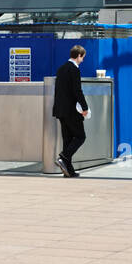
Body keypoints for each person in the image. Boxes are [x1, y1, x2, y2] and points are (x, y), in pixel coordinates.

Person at [52, 45, 89, 178]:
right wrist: (85, 108)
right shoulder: (74, 70)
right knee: (80, 136)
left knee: (67, 139)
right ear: (79, 56)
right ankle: (64, 156)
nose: (82, 60)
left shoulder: (61, 69)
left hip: (60, 110)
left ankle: (69, 171)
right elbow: (77, 91)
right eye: (82, 57)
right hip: (71, 110)